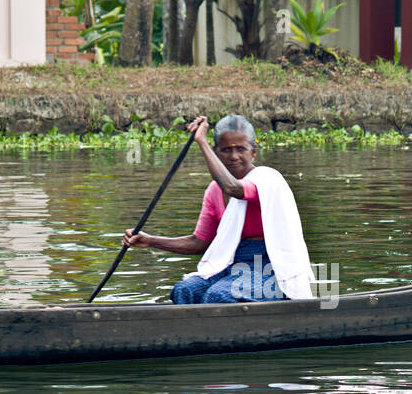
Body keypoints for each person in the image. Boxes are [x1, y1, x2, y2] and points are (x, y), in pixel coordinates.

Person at [124, 114, 314, 304]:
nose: (234, 157)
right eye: (225, 150)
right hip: (232, 265)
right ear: (216, 152)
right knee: (184, 291)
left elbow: (233, 189)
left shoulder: (266, 180)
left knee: (219, 295)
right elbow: (199, 242)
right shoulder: (214, 191)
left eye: (241, 149)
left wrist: (202, 143)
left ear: (253, 152)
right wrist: (150, 241)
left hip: (271, 269)